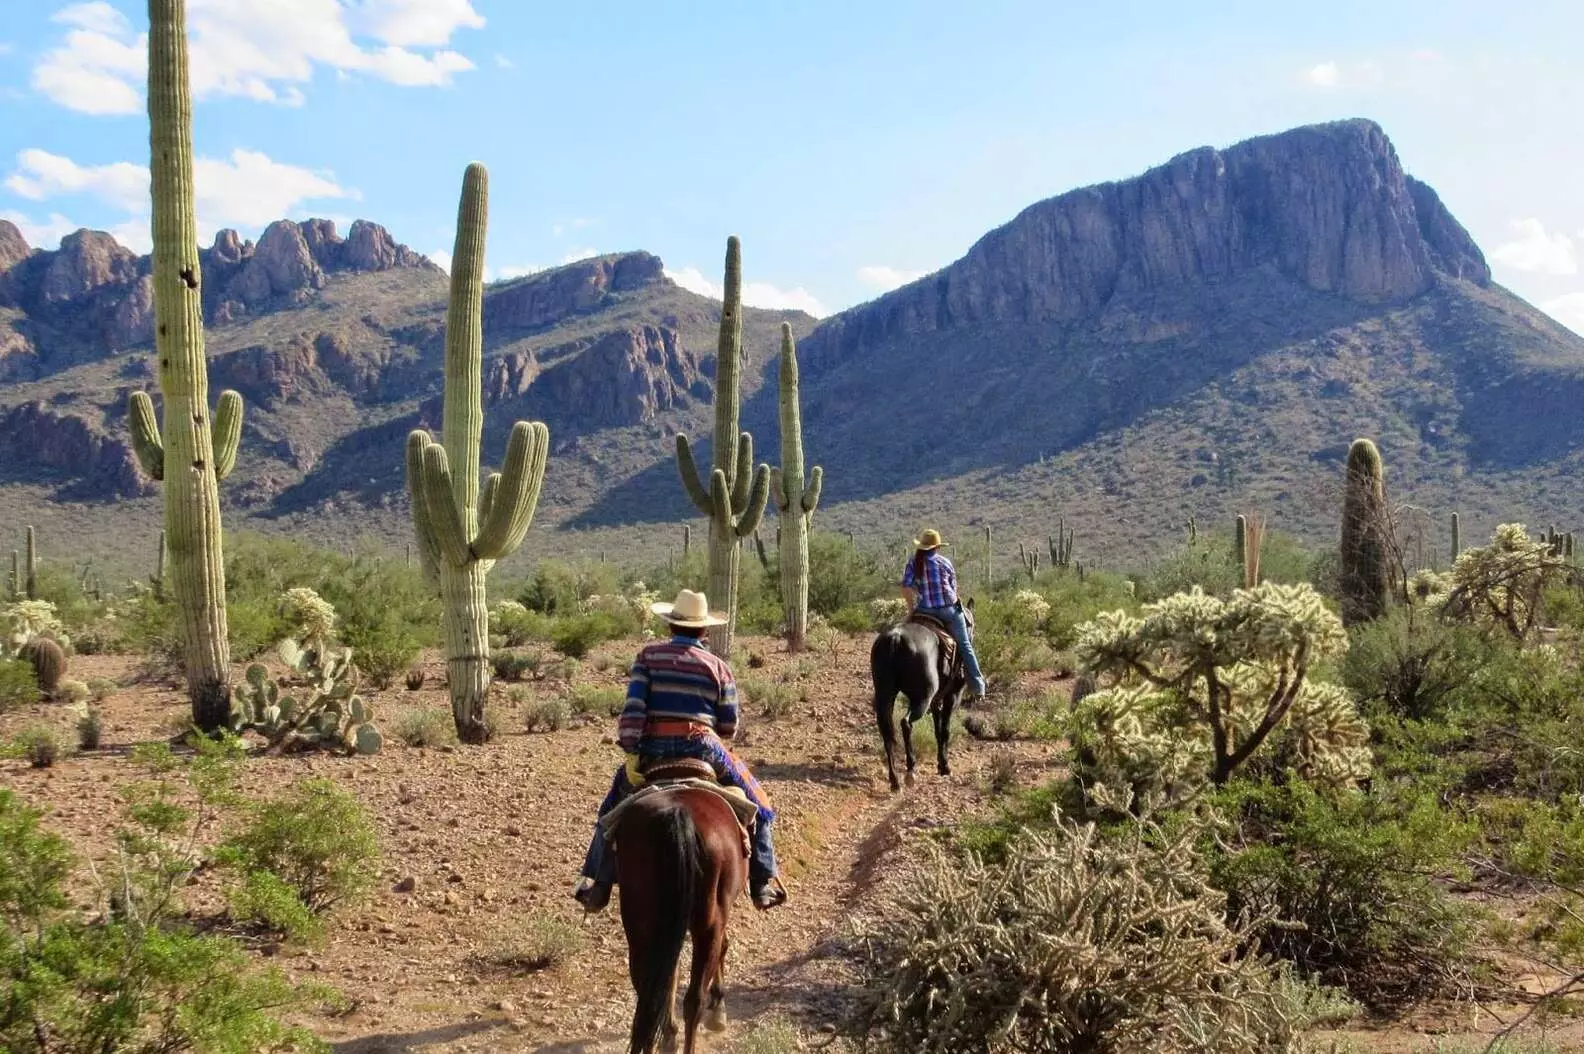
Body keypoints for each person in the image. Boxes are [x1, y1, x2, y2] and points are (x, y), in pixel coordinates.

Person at [572, 588, 788, 914]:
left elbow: (633, 712)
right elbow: (728, 726)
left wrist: (633, 749)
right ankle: (761, 882)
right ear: (703, 631)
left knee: (611, 809)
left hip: (654, 747)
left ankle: (598, 885)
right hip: (702, 745)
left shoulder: (647, 657)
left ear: (670, 626)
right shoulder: (718, 666)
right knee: (759, 802)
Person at [900, 528, 987, 699]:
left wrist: (911, 610)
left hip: (925, 609)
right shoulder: (945, 562)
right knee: (965, 645)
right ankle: (978, 687)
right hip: (949, 610)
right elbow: (954, 588)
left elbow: (905, 587)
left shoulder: (913, 562)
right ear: (937, 547)